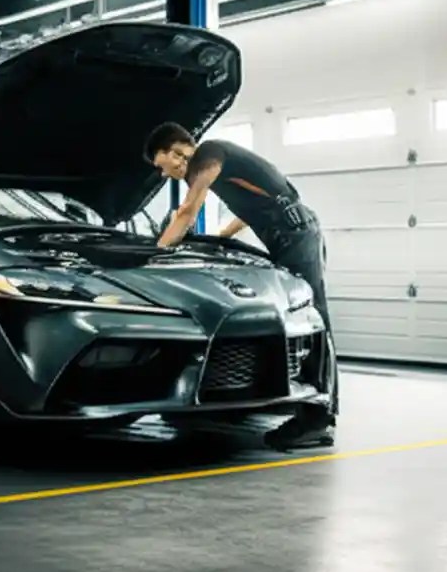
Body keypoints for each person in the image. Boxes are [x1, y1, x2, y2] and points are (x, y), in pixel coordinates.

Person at [143, 121, 336, 450]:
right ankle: (298, 400)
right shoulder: (224, 162)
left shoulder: (208, 156)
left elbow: (187, 211)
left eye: (161, 165)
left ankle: (318, 419)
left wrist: (154, 255)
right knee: (296, 318)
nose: (163, 174)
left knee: (310, 318)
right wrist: (222, 237)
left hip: (294, 235)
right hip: (293, 232)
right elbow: (252, 208)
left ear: (175, 154)